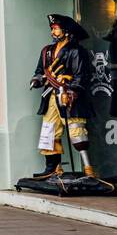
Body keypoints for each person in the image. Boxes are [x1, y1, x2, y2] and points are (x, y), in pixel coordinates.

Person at [28, 13, 96, 180]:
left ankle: (88, 169)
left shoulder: (77, 51)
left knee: (77, 132)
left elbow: (82, 76)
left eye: (56, 28)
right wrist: (37, 80)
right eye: (52, 29)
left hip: (71, 98)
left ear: (66, 31)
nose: (53, 32)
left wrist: (72, 90)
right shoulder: (47, 51)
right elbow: (39, 71)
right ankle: (52, 168)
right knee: (49, 131)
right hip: (51, 95)